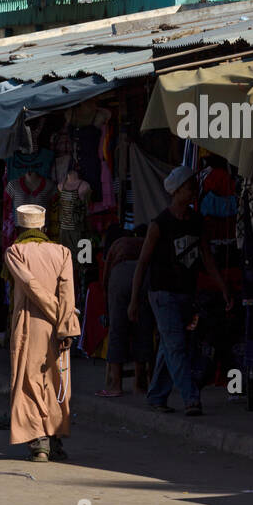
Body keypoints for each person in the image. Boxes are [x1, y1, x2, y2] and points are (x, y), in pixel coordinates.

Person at [128, 165, 233, 417]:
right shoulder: (160, 224)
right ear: (176, 192)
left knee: (170, 345)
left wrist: (224, 289)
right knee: (176, 345)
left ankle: (156, 395)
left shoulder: (197, 222)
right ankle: (191, 398)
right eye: (189, 187)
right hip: (162, 294)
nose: (193, 191)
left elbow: (207, 258)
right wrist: (134, 301)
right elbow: (142, 263)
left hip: (185, 293)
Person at [4, 203, 81, 463]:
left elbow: (28, 284)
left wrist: (53, 311)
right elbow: (68, 291)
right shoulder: (63, 252)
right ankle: (55, 439)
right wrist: (65, 322)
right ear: (44, 228)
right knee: (57, 382)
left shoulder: (15, 251)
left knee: (29, 382)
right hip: (59, 325)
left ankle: (39, 443)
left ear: (19, 227)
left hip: (28, 325)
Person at [98, 224, 154, 398]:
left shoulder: (119, 243)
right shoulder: (148, 241)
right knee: (143, 329)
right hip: (144, 278)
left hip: (120, 278)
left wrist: (107, 299)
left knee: (117, 330)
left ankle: (116, 385)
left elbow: (106, 274)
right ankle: (140, 383)